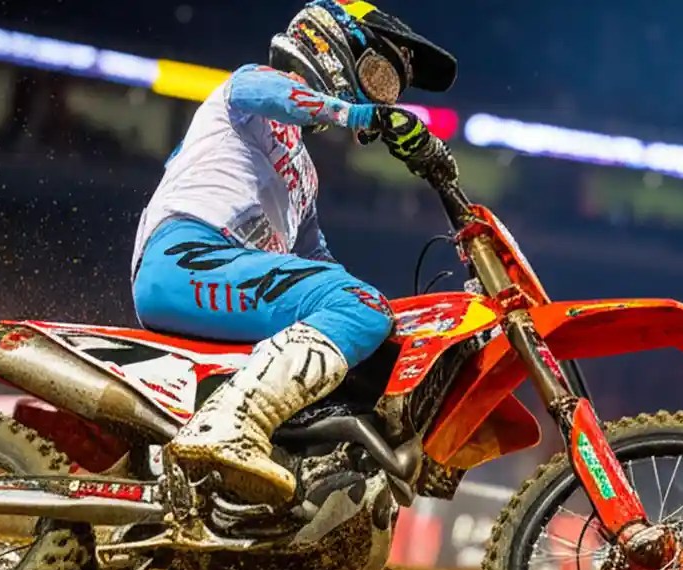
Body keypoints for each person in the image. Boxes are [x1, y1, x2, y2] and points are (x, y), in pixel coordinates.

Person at [130, 0, 457, 507]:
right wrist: (359, 113)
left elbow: (317, 262)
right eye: (377, 74)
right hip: (186, 256)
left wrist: (385, 325)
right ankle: (232, 425)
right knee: (361, 306)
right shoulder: (249, 86)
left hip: (228, 277)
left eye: (388, 89)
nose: (380, 94)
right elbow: (274, 94)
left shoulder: (304, 172)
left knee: (369, 319)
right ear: (333, 43)